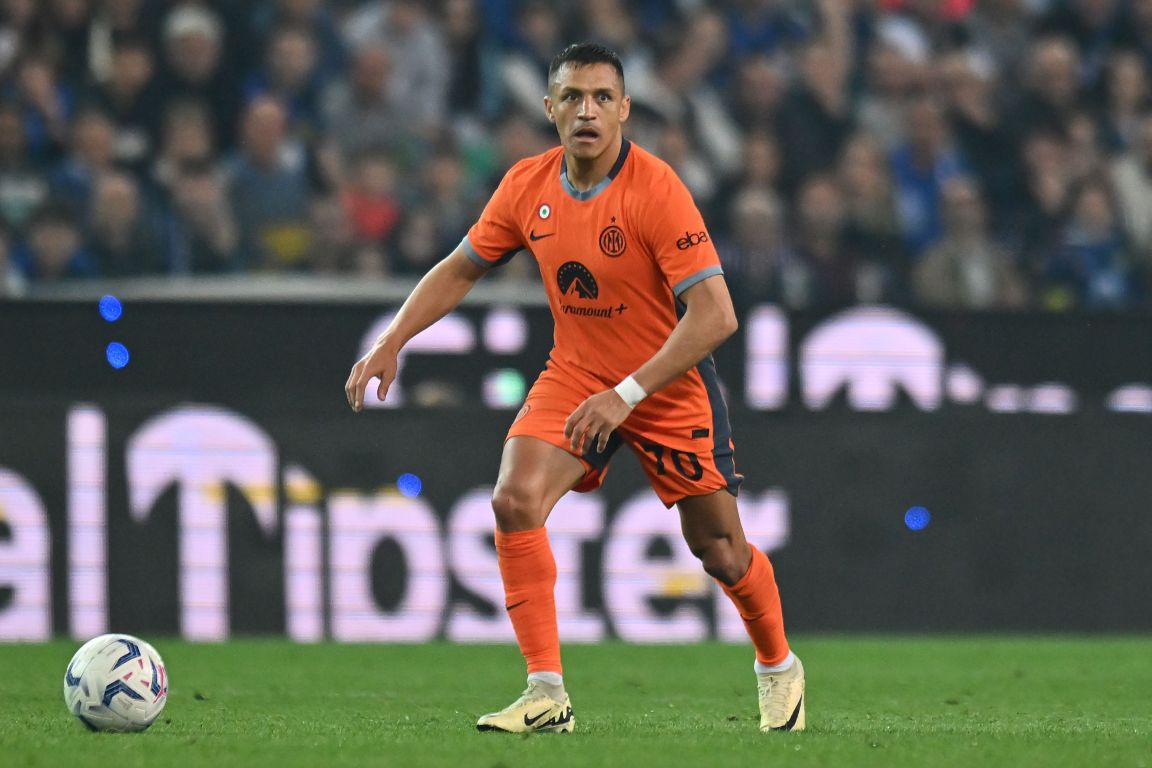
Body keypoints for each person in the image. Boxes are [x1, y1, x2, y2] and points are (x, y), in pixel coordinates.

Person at [345, 43, 804, 735]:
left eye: (600, 98)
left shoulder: (656, 190)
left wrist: (628, 392)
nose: (585, 111)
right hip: (577, 373)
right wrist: (393, 339)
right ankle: (546, 694)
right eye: (571, 97)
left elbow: (716, 315)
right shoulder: (527, 186)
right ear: (549, 108)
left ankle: (778, 669)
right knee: (514, 497)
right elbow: (460, 267)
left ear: (623, 109)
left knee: (720, 551)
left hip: (666, 383)